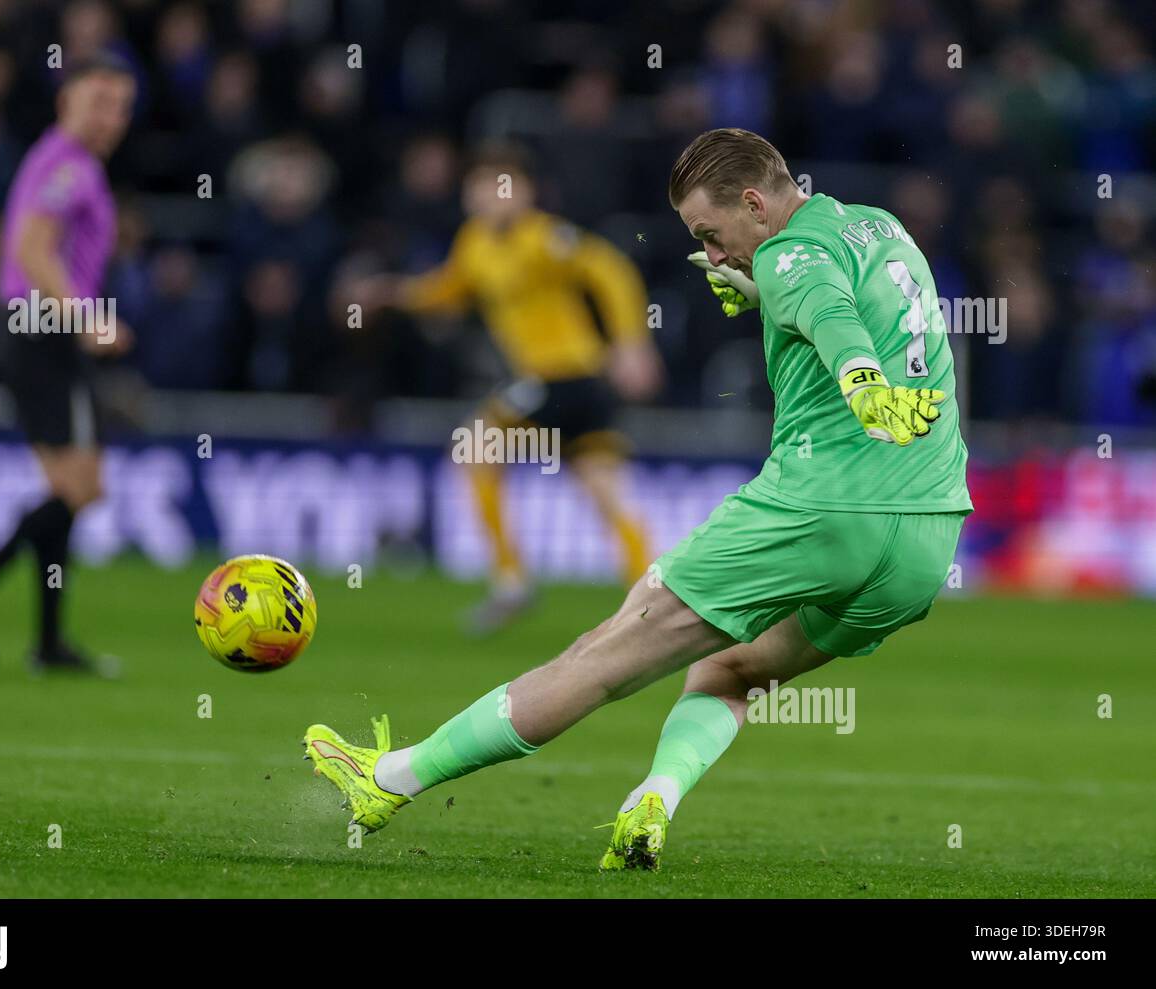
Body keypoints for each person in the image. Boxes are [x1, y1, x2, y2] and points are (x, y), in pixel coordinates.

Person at [304, 128, 972, 871]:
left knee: (601, 655)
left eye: (713, 236)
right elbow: (844, 293)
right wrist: (761, 293)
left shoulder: (786, 258)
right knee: (731, 670)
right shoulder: (877, 226)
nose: (713, 255)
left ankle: (388, 779)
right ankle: (653, 797)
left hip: (820, 512)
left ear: (755, 202)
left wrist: (859, 380)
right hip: (925, 537)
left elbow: (827, 311)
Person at [361, 142, 663, 633]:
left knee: (474, 445)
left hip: (567, 377)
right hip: (556, 388)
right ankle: (653, 604)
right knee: (603, 487)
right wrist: (389, 292)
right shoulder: (475, 244)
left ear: (527, 192)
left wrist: (633, 345)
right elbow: (445, 291)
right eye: (481, 186)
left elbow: (610, 270)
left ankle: (510, 580)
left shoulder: (546, 237)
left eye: (504, 185)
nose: (492, 196)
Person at [0, 53, 135, 675]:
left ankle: (46, 644)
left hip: (34, 336)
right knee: (83, 487)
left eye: (121, 106)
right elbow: (29, 249)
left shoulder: (63, 163)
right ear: (64, 101)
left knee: (65, 493)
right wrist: (84, 316)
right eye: (97, 101)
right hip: (44, 335)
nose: (110, 118)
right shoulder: (69, 168)